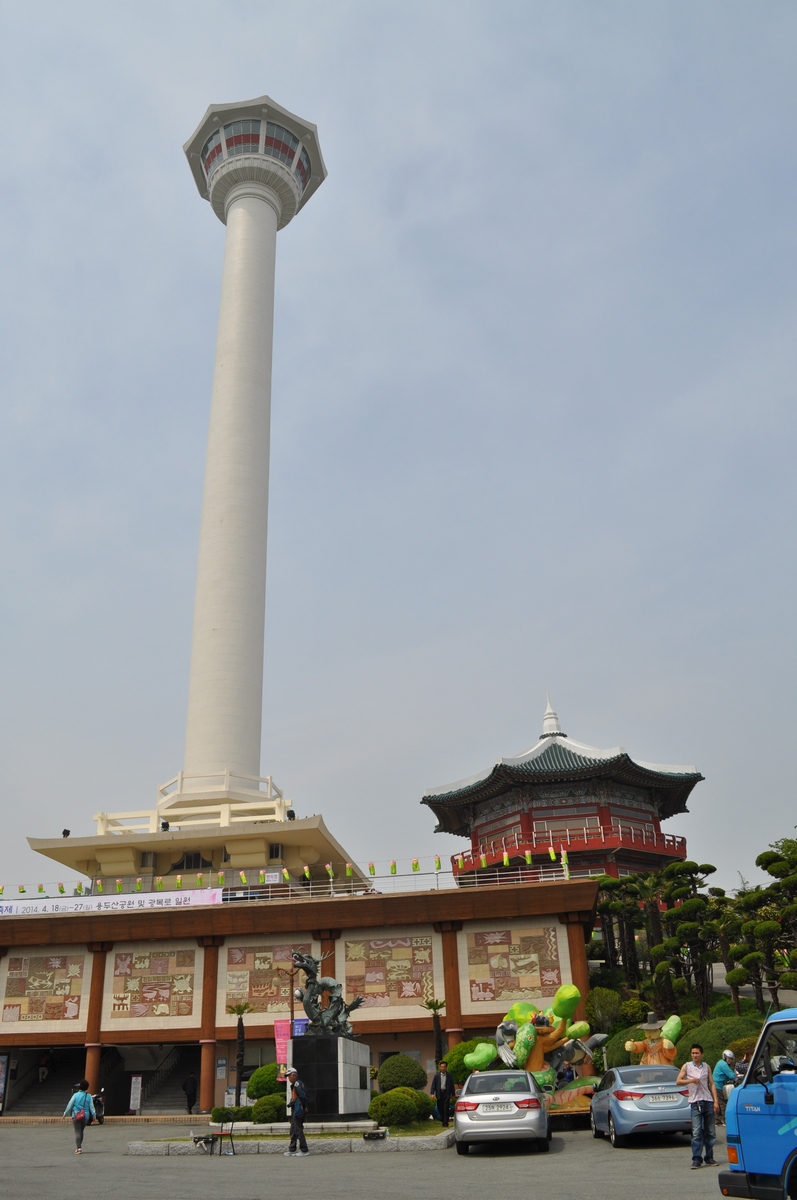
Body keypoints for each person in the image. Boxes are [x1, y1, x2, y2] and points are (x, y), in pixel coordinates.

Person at [677, 1044, 720, 1169]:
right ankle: (696, 1159)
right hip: (695, 1102)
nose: (695, 1055)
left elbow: (712, 1083)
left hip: (707, 1101)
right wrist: (690, 1080)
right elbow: (678, 1081)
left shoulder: (706, 1067)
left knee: (710, 1132)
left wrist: (715, 1101)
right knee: (696, 1132)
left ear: (702, 1054)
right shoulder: (687, 1066)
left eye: (697, 1053)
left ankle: (709, 1157)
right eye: (693, 1053)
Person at [63, 1078, 97, 1154]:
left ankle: (78, 1148)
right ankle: (79, 1146)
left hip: (76, 1115)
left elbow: (70, 1104)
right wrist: (94, 1115)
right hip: (85, 1116)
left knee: (77, 1132)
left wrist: (65, 1113)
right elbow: (91, 1107)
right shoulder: (89, 1096)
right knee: (81, 1131)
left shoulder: (75, 1095)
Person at [284, 1067, 309, 1156]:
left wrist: (305, 1106)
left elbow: (302, 1096)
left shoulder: (297, 1084)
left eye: (289, 1076)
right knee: (293, 1130)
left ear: (294, 1076)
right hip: (296, 1110)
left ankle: (304, 1150)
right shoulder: (294, 1085)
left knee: (298, 1130)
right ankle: (292, 1149)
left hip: (299, 1110)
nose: (288, 1078)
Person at [430, 1060, 456, 1127]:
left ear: (446, 1067)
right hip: (439, 1093)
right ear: (440, 1067)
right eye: (441, 1067)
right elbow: (433, 1085)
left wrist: (453, 1095)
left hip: (446, 1093)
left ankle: (445, 1122)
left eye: (444, 1067)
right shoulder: (437, 1076)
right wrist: (432, 1093)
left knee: (446, 1108)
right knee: (440, 1107)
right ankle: (443, 1119)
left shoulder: (449, 1076)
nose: (443, 1068)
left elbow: (452, 1086)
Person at [713, 1050, 736, 1125]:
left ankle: (717, 1120)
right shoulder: (723, 1064)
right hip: (718, 1085)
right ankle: (726, 1120)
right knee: (723, 1103)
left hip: (716, 1085)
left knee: (718, 1103)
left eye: (731, 1059)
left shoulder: (721, 1063)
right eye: (728, 1058)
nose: (730, 1060)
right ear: (724, 1057)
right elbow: (732, 1075)